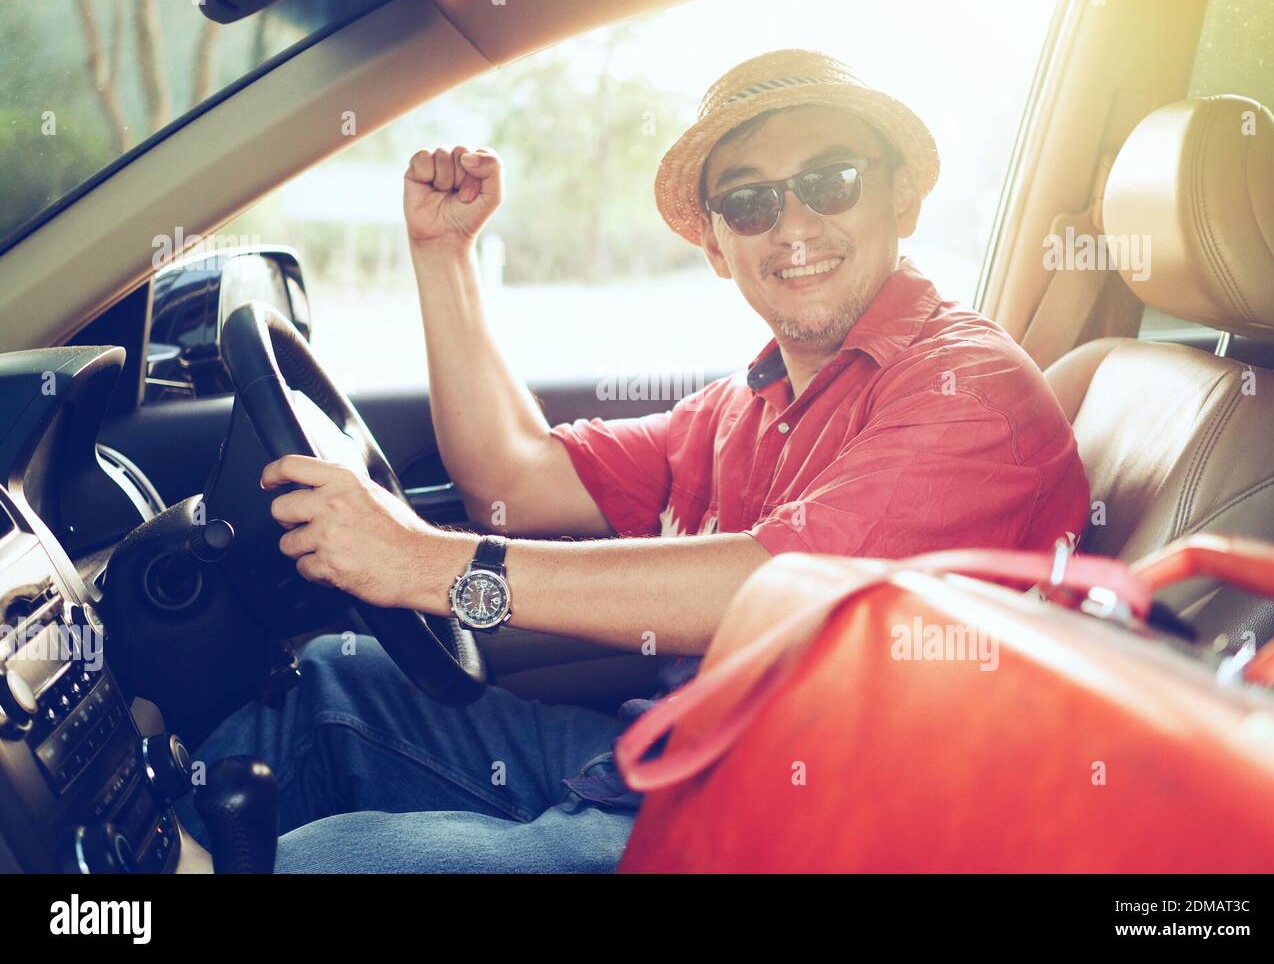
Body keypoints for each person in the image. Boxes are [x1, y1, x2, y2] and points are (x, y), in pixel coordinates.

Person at [179, 48, 1090, 872]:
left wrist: (418, 561)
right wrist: (445, 255)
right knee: (332, 687)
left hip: (807, 835)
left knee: (318, 864)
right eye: (750, 201)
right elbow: (514, 480)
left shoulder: (969, 391)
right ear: (717, 247)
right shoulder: (750, 403)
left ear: (900, 200)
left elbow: (779, 588)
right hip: (672, 767)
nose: (794, 224)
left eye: (831, 180)